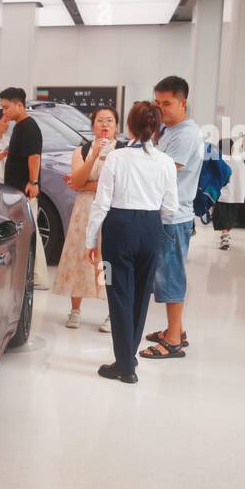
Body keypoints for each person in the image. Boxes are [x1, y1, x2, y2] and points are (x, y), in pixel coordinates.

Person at [85, 101, 180, 383]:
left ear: (129, 127)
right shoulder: (165, 162)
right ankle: (129, 358)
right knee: (141, 295)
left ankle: (124, 365)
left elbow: (101, 203)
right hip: (151, 230)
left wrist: (91, 239)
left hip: (118, 229)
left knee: (117, 292)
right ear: (157, 127)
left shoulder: (116, 157)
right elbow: (171, 207)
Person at [140, 75, 203, 360]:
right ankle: (175, 329)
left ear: (183, 103)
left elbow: (166, 172)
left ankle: (174, 340)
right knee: (166, 274)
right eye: (157, 102)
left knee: (170, 277)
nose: (160, 109)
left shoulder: (186, 134)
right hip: (165, 214)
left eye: (167, 103)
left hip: (173, 217)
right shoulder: (168, 130)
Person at [54, 105, 121, 330]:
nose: (104, 125)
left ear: (116, 126)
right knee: (79, 257)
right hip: (84, 211)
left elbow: (118, 186)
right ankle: (75, 309)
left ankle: (113, 312)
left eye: (109, 121)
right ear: (93, 125)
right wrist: (93, 157)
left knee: (108, 259)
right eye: (100, 120)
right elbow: (76, 181)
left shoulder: (123, 151)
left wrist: (85, 184)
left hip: (112, 211)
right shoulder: (82, 151)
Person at [0, 86, 49, 290]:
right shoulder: (20, 126)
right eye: (2, 108)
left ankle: (38, 276)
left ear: (19, 105)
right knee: (26, 231)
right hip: (17, 190)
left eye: (6, 107)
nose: (4, 112)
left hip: (25, 190)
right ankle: (32, 273)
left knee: (30, 232)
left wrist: (33, 182)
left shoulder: (28, 127)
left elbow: (34, 157)